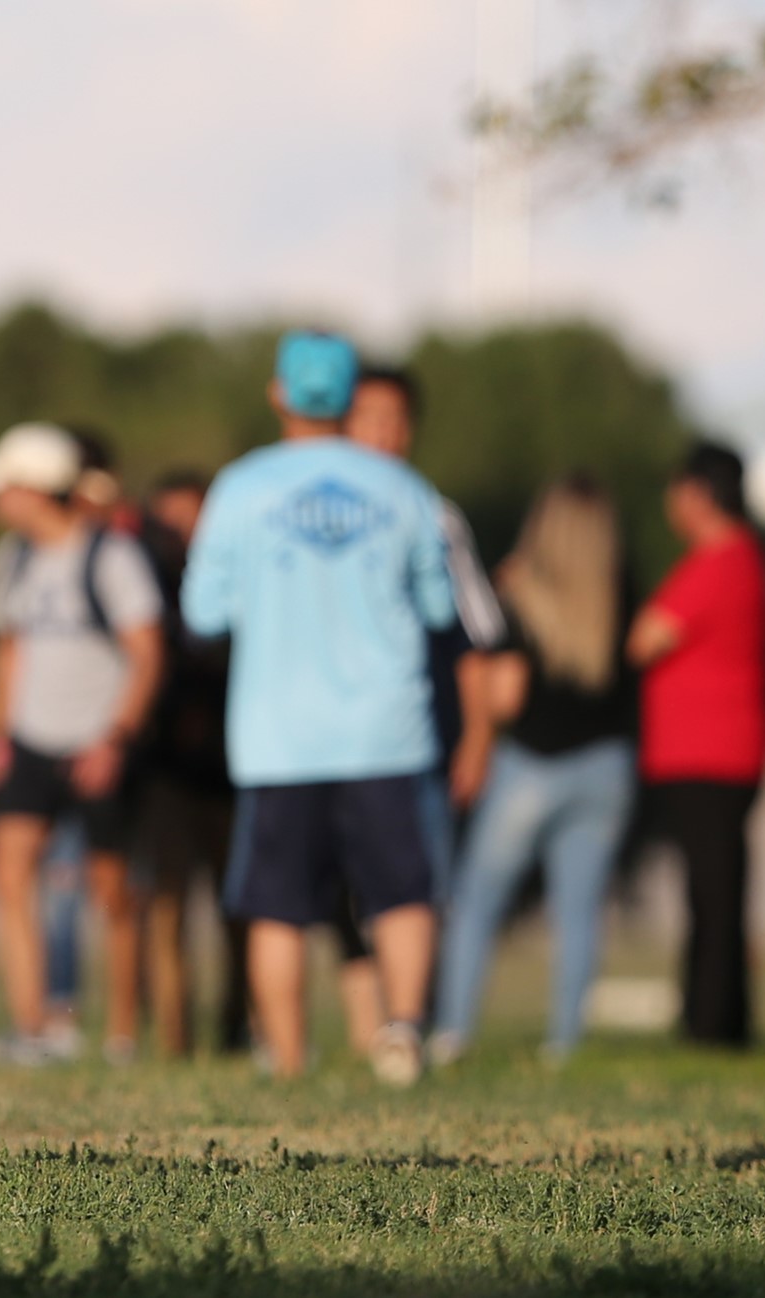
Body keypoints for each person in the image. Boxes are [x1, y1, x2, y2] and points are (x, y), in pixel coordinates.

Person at [181, 330, 455, 1085]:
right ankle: (402, 1032)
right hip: (387, 732)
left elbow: (202, 613)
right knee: (401, 891)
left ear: (279, 394)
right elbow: (438, 606)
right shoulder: (404, 488)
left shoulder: (241, 488)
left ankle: (291, 1057)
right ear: (350, 400)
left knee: (277, 907)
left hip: (278, 735)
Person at [0, 422, 163, 1065]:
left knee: (112, 893)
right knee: (9, 877)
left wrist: (116, 739)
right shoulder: (11, 557)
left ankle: (123, 1034)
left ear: (34, 489)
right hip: (30, 741)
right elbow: (10, 650)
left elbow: (146, 652)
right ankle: (37, 1027)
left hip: (96, 743)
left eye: (5, 488)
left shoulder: (110, 556)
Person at [431, 477, 636, 1064]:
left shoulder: (523, 595)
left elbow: (506, 699)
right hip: (607, 766)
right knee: (578, 913)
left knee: (477, 903)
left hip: (532, 767)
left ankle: (453, 1032)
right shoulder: (623, 591)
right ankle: (563, 1042)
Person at [342, 363, 507, 1050]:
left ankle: (412, 1028)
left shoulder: (433, 514)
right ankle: (362, 1035)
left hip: (418, 738)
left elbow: (472, 636)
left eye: (396, 418)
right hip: (327, 739)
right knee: (342, 898)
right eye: (369, 416)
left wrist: (477, 739)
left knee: (416, 884)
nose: (384, 432)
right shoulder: (301, 511)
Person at [628, 442, 765, 1048]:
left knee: (712, 896)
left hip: (706, 755)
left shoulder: (716, 562)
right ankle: (717, 1016)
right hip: (725, 752)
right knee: (717, 891)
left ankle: (713, 1025)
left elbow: (645, 638)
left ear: (699, 494)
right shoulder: (743, 560)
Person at [135, 468, 247, 1056]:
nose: (180, 531)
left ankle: (238, 1023)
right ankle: (173, 1037)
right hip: (168, 771)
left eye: (191, 517)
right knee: (167, 906)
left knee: (240, 908)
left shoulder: (241, 580)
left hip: (233, 766)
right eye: (168, 519)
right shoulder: (144, 579)